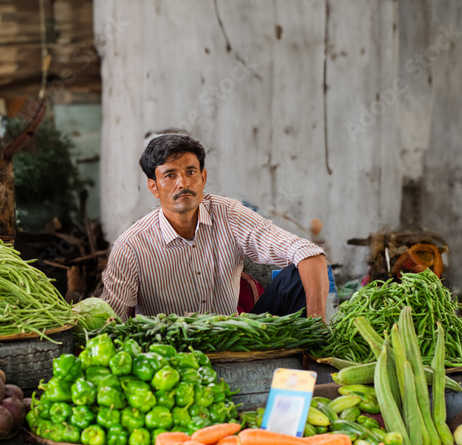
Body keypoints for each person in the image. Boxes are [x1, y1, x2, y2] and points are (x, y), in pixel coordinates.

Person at [101, 132, 330, 320]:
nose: (183, 183)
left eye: (191, 172)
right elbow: (112, 320)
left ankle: (300, 363)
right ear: (153, 187)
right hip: (171, 353)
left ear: (203, 177)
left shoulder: (229, 214)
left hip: (234, 337)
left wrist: (316, 326)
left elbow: (310, 253)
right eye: (170, 175)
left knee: (297, 275)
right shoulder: (131, 245)